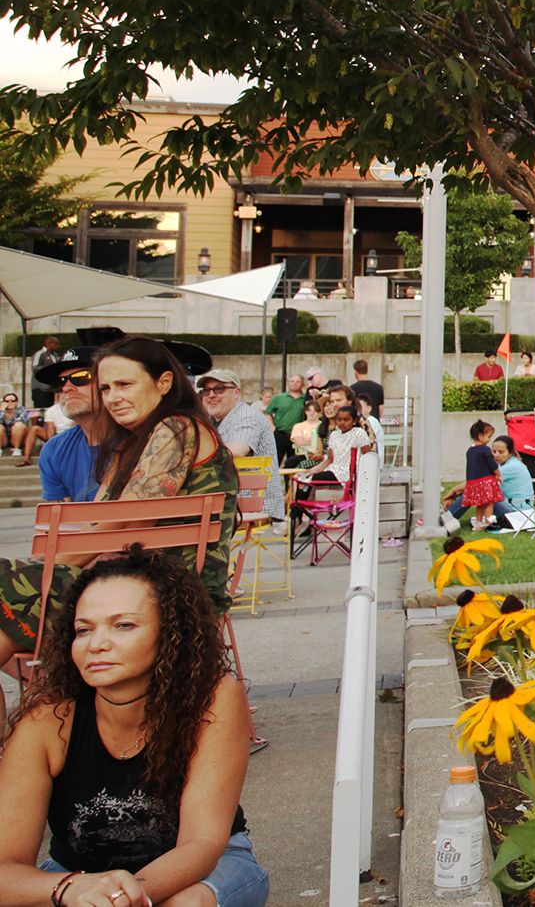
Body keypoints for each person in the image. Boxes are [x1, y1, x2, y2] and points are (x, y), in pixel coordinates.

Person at [0, 546, 268, 906]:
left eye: (123, 625)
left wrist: (118, 897)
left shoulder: (213, 698)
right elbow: (5, 866)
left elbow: (201, 844)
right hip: (81, 879)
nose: (97, 644)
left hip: (205, 869)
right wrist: (70, 889)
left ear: (171, 632)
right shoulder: (47, 720)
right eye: (83, 630)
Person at [0, 337, 239, 670]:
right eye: (106, 388)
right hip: (136, 578)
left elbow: (128, 521)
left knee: (16, 584)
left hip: (170, 589)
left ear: (164, 382)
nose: (113, 397)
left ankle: (45, 696)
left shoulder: (175, 428)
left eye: (125, 384)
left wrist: (48, 565)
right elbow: (103, 522)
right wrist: (44, 564)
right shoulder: (133, 443)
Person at [195, 370, 280, 518]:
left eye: (219, 389)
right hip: (229, 500)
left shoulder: (246, 416)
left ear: (236, 392)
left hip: (249, 505)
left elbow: (237, 450)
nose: (211, 395)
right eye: (206, 390)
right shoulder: (213, 419)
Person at [38, 346, 112, 505]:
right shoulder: (53, 451)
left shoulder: (144, 440)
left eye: (81, 377)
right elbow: (61, 519)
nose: (66, 388)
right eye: (59, 382)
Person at [459, 420, 504, 530]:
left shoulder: (470, 451)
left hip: (473, 482)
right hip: (486, 481)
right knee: (489, 502)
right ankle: (488, 521)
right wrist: (498, 475)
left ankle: (478, 522)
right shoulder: (485, 450)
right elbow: (492, 464)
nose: (489, 440)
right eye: (488, 436)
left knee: (480, 504)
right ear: (480, 436)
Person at [263, 377, 307, 466]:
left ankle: (289, 480)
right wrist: (272, 427)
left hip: (298, 436)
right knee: (274, 461)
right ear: (288, 383)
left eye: (298, 381)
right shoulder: (279, 398)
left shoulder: (306, 399)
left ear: (302, 384)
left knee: (293, 463)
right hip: (280, 433)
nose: (295, 383)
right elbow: (268, 412)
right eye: (292, 381)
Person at [29, 335, 63, 410]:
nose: (58, 346)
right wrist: (49, 369)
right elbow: (35, 368)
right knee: (41, 411)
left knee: (49, 410)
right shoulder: (40, 353)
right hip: (40, 388)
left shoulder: (55, 355)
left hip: (50, 388)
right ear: (50, 343)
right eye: (57, 344)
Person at [1, 392, 32, 457]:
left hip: (18, 437)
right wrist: (2, 410)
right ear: (3, 403)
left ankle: (17, 449)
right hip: (4, 439)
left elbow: (21, 420)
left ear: (16, 402)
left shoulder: (22, 410)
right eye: (7, 401)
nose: (10, 402)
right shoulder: (1, 411)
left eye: (12, 401)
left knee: (18, 425)